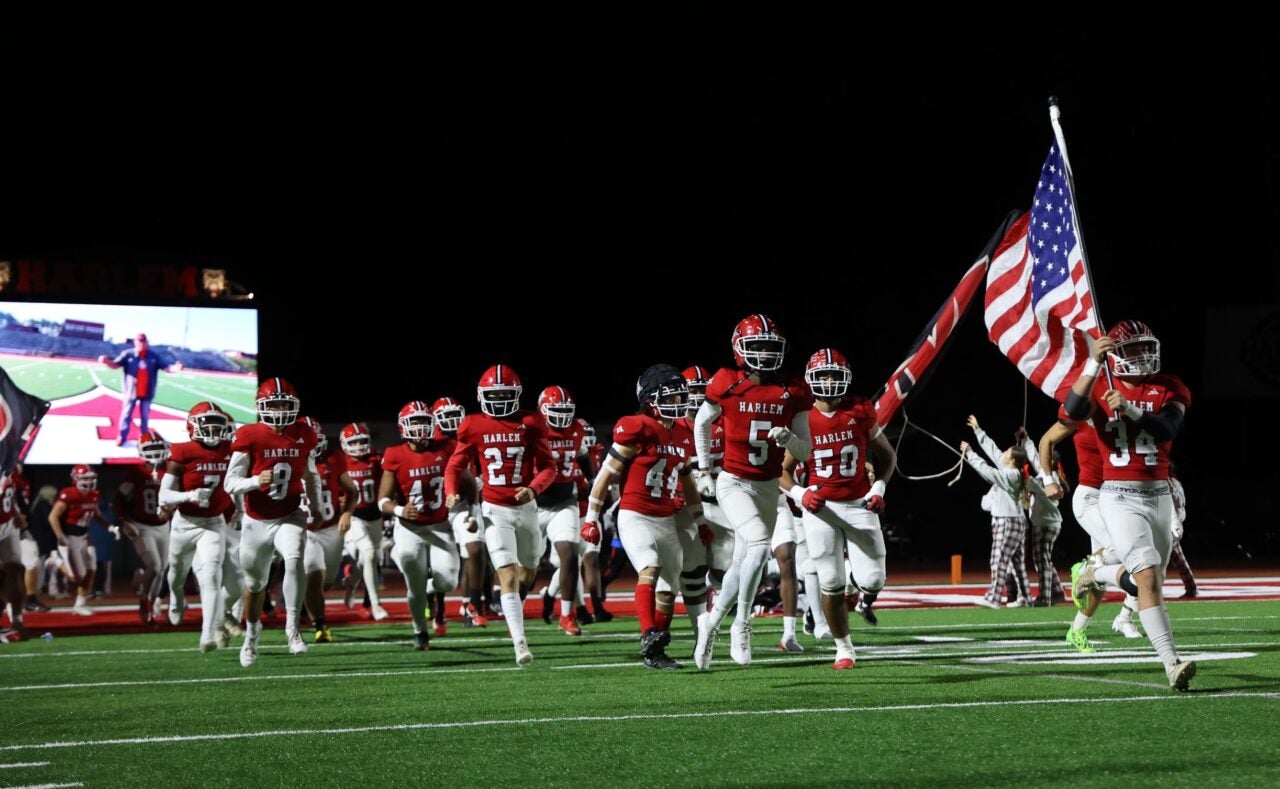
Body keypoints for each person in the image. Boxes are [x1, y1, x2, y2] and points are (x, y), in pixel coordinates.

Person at [1063, 320, 1196, 691]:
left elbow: (1168, 428)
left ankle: (1095, 573)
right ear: (1116, 354)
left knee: (1151, 583)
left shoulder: (1169, 385)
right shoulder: (1100, 384)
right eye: (1133, 348)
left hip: (1159, 494)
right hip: (1119, 495)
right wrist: (1093, 362)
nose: (1142, 354)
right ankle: (1171, 664)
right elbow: (1072, 410)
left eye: (1145, 347)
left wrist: (1131, 410)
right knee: (1146, 577)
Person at [692, 314, 814, 669]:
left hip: (767, 487)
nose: (764, 353)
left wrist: (788, 438)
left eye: (769, 347)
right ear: (740, 349)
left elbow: (805, 449)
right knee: (761, 547)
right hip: (733, 481)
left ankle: (710, 623)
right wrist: (704, 469)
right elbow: (701, 423)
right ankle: (742, 624)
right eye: (756, 346)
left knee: (743, 563)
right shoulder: (727, 382)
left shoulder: (793, 389)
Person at [581, 364, 702, 669]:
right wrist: (591, 517)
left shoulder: (684, 433)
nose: (677, 403)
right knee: (650, 565)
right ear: (649, 399)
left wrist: (699, 520)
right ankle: (648, 633)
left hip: (666, 519)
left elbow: (687, 481)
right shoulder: (637, 427)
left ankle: (655, 652)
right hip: (635, 513)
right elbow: (606, 475)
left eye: (679, 397)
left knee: (669, 589)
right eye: (669, 398)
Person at [781, 348, 895, 669]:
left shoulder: (860, 410)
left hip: (859, 504)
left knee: (873, 580)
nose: (830, 381)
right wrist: (801, 493)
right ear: (811, 379)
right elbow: (781, 471)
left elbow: (887, 456)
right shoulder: (802, 419)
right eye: (823, 375)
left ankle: (853, 582)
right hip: (822, 508)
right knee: (829, 581)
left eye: (835, 375)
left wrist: (879, 487)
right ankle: (844, 649)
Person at [444, 365, 557, 666]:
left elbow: (549, 467)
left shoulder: (531, 421)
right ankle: (520, 642)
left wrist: (533, 488)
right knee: (507, 572)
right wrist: (451, 491)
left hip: (526, 509)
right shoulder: (472, 424)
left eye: (504, 394)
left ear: (517, 394)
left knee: (528, 572)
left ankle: (514, 610)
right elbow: (455, 465)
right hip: (494, 509)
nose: (498, 400)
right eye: (493, 395)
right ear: (482, 396)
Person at [223, 378, 323, 666]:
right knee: (255, 584)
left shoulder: (303, 433)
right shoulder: (250, 435)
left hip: (290, 513)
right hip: (257, 521)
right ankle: (251, 637)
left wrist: (316, 507)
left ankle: (293, 628)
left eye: (284, 404)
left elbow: (311, 476)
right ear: (261, 406)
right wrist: (256, 481)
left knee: (294, 559)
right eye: (274, 405)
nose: (279, 410)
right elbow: (230, 483)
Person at [380, 402, 474, 650]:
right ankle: (420, 631)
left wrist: (468, 510)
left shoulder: (447, 448)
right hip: (409, 529)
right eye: (415, 421)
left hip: (440, 526)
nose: (420, 427)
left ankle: (429, 589)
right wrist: (400, 510)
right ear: (403, 426)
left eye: (424, 421)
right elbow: (383, 501)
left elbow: (469, 484)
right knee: (414, 585)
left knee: (449, 582)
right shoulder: (394, 454)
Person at [161, 401, 238, 651]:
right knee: (177, 573)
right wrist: (189, 495)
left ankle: (207, 634)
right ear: (192, 426)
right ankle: (176, 597)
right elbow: (164, 495)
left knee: (212, 576)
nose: (214, 431)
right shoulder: (182, 451)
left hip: (213, 522)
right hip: (185, 522)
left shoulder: (231, 450)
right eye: (208, 425)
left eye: (218, 425)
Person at [535, 385, 592, 636]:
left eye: (565, 411)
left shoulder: (577, 428)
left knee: (570, 555)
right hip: (533, 505)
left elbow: (583, 455)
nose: (561, 417)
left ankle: (567, 615)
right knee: (526, 568)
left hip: (564, 503)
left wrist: (591, 479)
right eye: (555, 411)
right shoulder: (533, 429)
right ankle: (518, 605)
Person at [961, 415, 1030, 609]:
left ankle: (993, 598)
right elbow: (993, 451)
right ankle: (1025, 598)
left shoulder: (1012, 475)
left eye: (1007, 452)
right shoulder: (1012, 471)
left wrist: (971, 454)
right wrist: (978, 431)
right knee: (1017, 564)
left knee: (998, 560)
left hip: (1007, 521)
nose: (1003, 452)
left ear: (1012, 459)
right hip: (1014, 521)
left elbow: (989, 472)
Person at [117, 430, 175, 624]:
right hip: (142, 525)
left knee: (163, 568)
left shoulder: (169, 469)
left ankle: (150, 600)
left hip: (163, 524)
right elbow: (119, 499)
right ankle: (144, 599)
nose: (155, 452)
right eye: (151, 448)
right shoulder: (135, 471)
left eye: (158, 447)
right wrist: (123, 521)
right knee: (155, 566)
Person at [336, 421, 389, 622]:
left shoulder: (376, 459)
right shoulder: (340, 462)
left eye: (361, 441)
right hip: (354, 515)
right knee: (368, 552)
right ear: (344, 443)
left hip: (374, 515)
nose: (358, 446)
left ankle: (352, 582)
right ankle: (375, 604)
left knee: (369, 558)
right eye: (353, 442)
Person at [48, 464, 111, 615]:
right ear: (76, 479)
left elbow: (97, 515)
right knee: (77, 577)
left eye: (91, 478)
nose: (89, 481)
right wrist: (60, 536)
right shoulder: (69, 494)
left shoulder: (94, 495)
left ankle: (79, 604)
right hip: (70, 537)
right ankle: (55, 560)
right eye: (85, 478)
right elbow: (53, 516)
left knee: (92, 570)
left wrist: (110, 527)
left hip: (84, 536)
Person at [1014, 427, 1067, 606]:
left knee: (1041, 560)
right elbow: (1035, 456)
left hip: (1046, 523)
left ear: (1051, 462)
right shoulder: (1047, 474)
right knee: (1043, 559)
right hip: (1046, 522)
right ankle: (1057, 592)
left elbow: (1035, 485)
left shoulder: (1051, 479)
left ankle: (1045, 597)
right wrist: (1026, 439)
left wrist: (1021, 472)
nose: (1041, 460)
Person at [99, 333, 174, 446]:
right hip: (131, 392)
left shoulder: (154, 356)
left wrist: (175, 368)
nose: (142, 343)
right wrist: (107, 362)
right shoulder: (128, 354)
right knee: (126, 415)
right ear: (135, 342)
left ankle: (144, 438)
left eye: (144, 341)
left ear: (147, 342)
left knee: (145, 417)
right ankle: (122, 436)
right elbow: (115, 365)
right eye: (139, 341)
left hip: (147, 392)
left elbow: (166, 367)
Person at [0, 469, 30, 636]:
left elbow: (10, 494)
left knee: (16, 570)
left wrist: (16, 513)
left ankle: (17, 620)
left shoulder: (10, 468)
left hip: (8, 522)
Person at [1167, 464, 1198, 597]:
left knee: (1176, 559)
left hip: (1169, 525)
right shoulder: (1171, 483)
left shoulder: (1172, 483)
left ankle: (1191, 588)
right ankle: (1191, 588)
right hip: (1169, 524)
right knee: (1178, 558)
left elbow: (1178, 503)